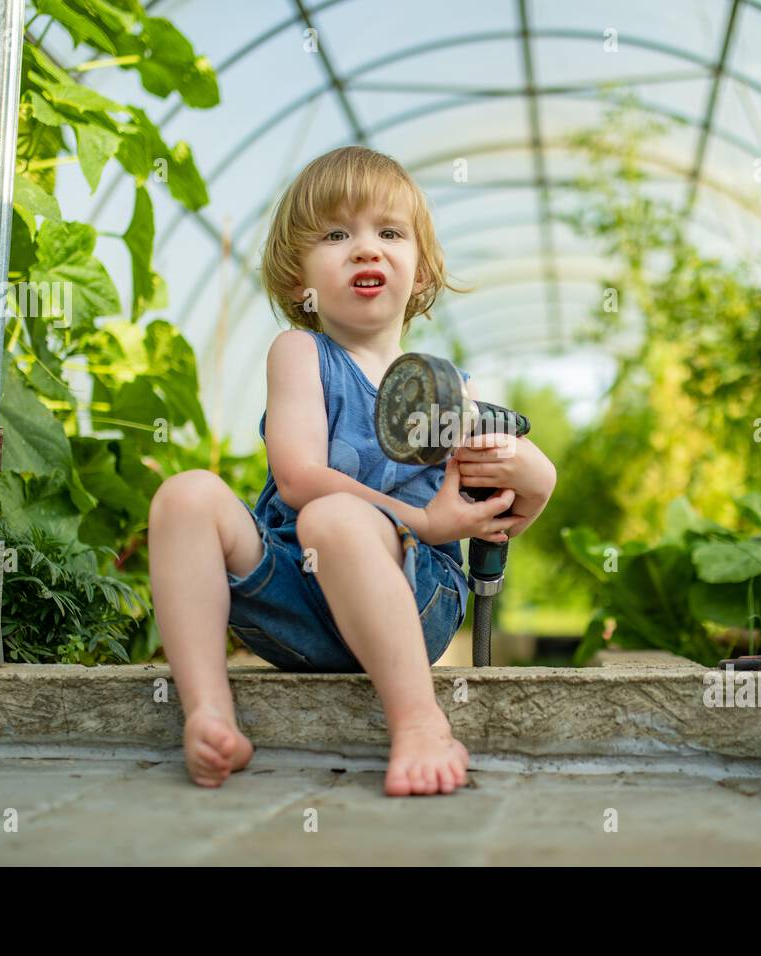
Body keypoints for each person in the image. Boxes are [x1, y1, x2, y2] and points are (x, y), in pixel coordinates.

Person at [148, 145, 557, 796]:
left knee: (337, 519)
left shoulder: (442, 386)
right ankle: (208, 712)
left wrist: (528, 480)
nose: (365, 249)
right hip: (297, 603)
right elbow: (298, 476)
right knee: (186, 496)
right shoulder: (301, 353)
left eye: (388, 233)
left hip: (412, 597)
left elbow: (524, 468)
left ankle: (420, 723)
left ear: (420, 273)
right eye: (337, 234)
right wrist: (423, 516)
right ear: (297, 282)